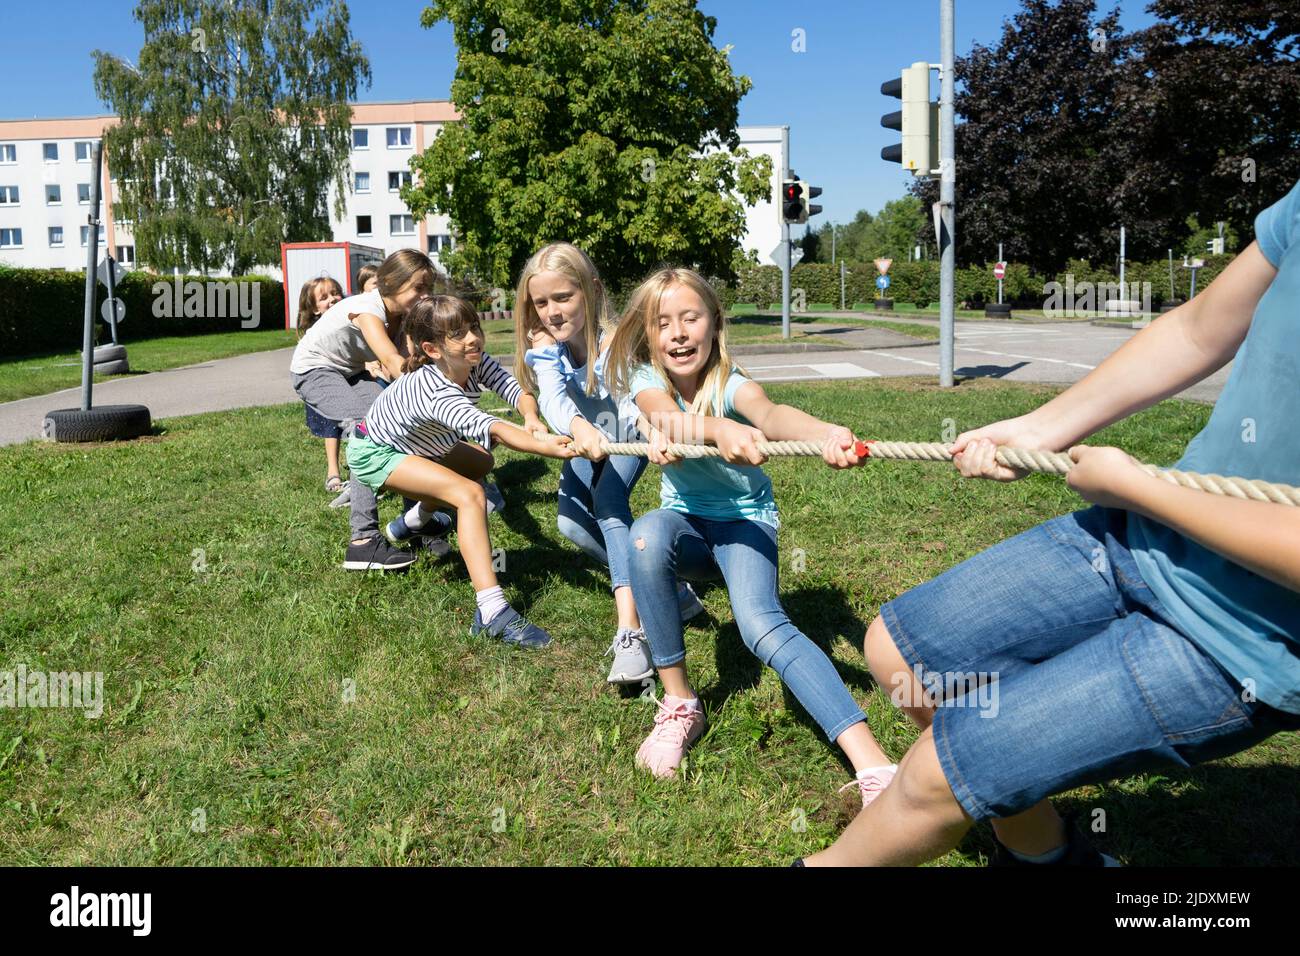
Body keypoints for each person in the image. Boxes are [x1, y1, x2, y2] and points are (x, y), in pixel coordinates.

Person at [803, 179, 1300, 867]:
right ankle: (1049, 857)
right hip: (1139, 539)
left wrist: (1139, 489)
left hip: (1243, 637)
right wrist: (1040, 429)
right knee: (897, 654)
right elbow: (1198, 326)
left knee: (934, 776)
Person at [604, 267, 897, 802]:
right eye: (663, 323)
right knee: (644, 537)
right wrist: (716, 431)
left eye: (691, 318)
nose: (678, 333)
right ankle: (680, 704)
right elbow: (667, 419)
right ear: (649, 336)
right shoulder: (650, 382)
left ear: (714, 323)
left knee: (760, 626)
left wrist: (827, 434)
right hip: (685, 528)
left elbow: (772, 413)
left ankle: (872, 762)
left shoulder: (732, 383)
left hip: (743, 524)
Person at [514, 243, 703, 683]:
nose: (552, 312)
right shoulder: (546, 348)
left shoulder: (614, 340)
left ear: (591, 291)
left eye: (564, 298)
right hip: (589, 436)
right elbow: (553, 399)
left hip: (628, 432)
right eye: (541, 302)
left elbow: (627, 396)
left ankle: (631, 632)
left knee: (608, 503)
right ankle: (671, 588)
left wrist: (653, 429)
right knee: (572, 527)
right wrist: (579, 429)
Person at [348, 295, 576, 647]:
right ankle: (493, 612)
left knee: (482, 462)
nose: (473, 338)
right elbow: (492, 427)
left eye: (473, 327)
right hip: (378, 452)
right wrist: (547, 446)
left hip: (423, 445)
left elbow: (516, 390)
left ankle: (411, 523)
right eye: (458, 334)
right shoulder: (436, 391)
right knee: (470, 495)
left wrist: (531, 417)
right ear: (433, 349)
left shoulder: (473, 360)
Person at [290, 249, 436, 571]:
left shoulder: (407, 317)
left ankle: (415, 521)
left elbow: (410, 362)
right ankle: (362, 541)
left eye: (429, 288)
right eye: (418, 288)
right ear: (389, 283)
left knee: (404, 424)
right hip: (314, 369)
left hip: (349, 369)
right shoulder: (368, 309)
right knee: (365, 430)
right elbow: (394, 363)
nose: (426, 296)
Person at [295, 277, 347, 497]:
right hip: (326, 384)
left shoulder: (350, 319)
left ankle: (359, 469)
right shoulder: (314, 333)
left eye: (335, 293)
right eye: (324, 297)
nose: (332, 299)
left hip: (349, 380)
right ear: (315, 308)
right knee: (330, 426)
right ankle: (332, 470)